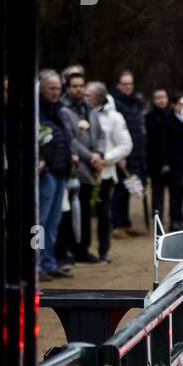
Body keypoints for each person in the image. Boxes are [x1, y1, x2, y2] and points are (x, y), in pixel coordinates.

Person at [57, 70, 104, 263]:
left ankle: (83, 248)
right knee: (71, 212)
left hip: (92, 167)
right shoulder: (63, 110)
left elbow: (101, 135)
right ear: (67, 89)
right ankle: (70, 249)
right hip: (77, 168)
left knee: (86, 211)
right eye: (74, 86)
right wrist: (90, 156)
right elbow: (71, 139)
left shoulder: (90, 110)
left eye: (81, 86)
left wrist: (99, 154)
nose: (78, 89)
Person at [86, 82, 134, 263]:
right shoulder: (80, 114)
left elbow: (126, 144)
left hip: (103, 174)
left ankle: (103, 250)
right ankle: (80, 251)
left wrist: (106, 158)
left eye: (88, 95)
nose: (84, 97)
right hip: (82, 172)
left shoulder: (114, 117)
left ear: (98, 97)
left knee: (103, 214)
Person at [37, 71, 73, 282]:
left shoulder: (60, 110)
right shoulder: (38, 111)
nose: (55, 92)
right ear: (42, 89)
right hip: (46, 173)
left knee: (53, 222)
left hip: (61, 172)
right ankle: (37, 263)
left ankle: (49, 262)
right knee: (40, 222)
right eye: (51, 88)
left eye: (58, 88)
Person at [145, 89, 183, 231]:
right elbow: (164, 143)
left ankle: (179, 216)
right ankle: (174, 221)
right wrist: (166, 162)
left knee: (182, 190)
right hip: (173, 164)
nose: (182, 106)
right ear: (173, 105)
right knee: (173, 192)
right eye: (179, 104)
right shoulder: (167, 120)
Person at [111, 69, 148, 236]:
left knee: (127, 189)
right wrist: (120, 154)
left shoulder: (134, 103)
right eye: (124, 84)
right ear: (119, 85)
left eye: (130, 83)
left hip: (135, 152)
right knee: (119, 189)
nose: (128, 87)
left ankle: (125, 223)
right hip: (122, 154)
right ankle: (117, 225)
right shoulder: (115, 103)